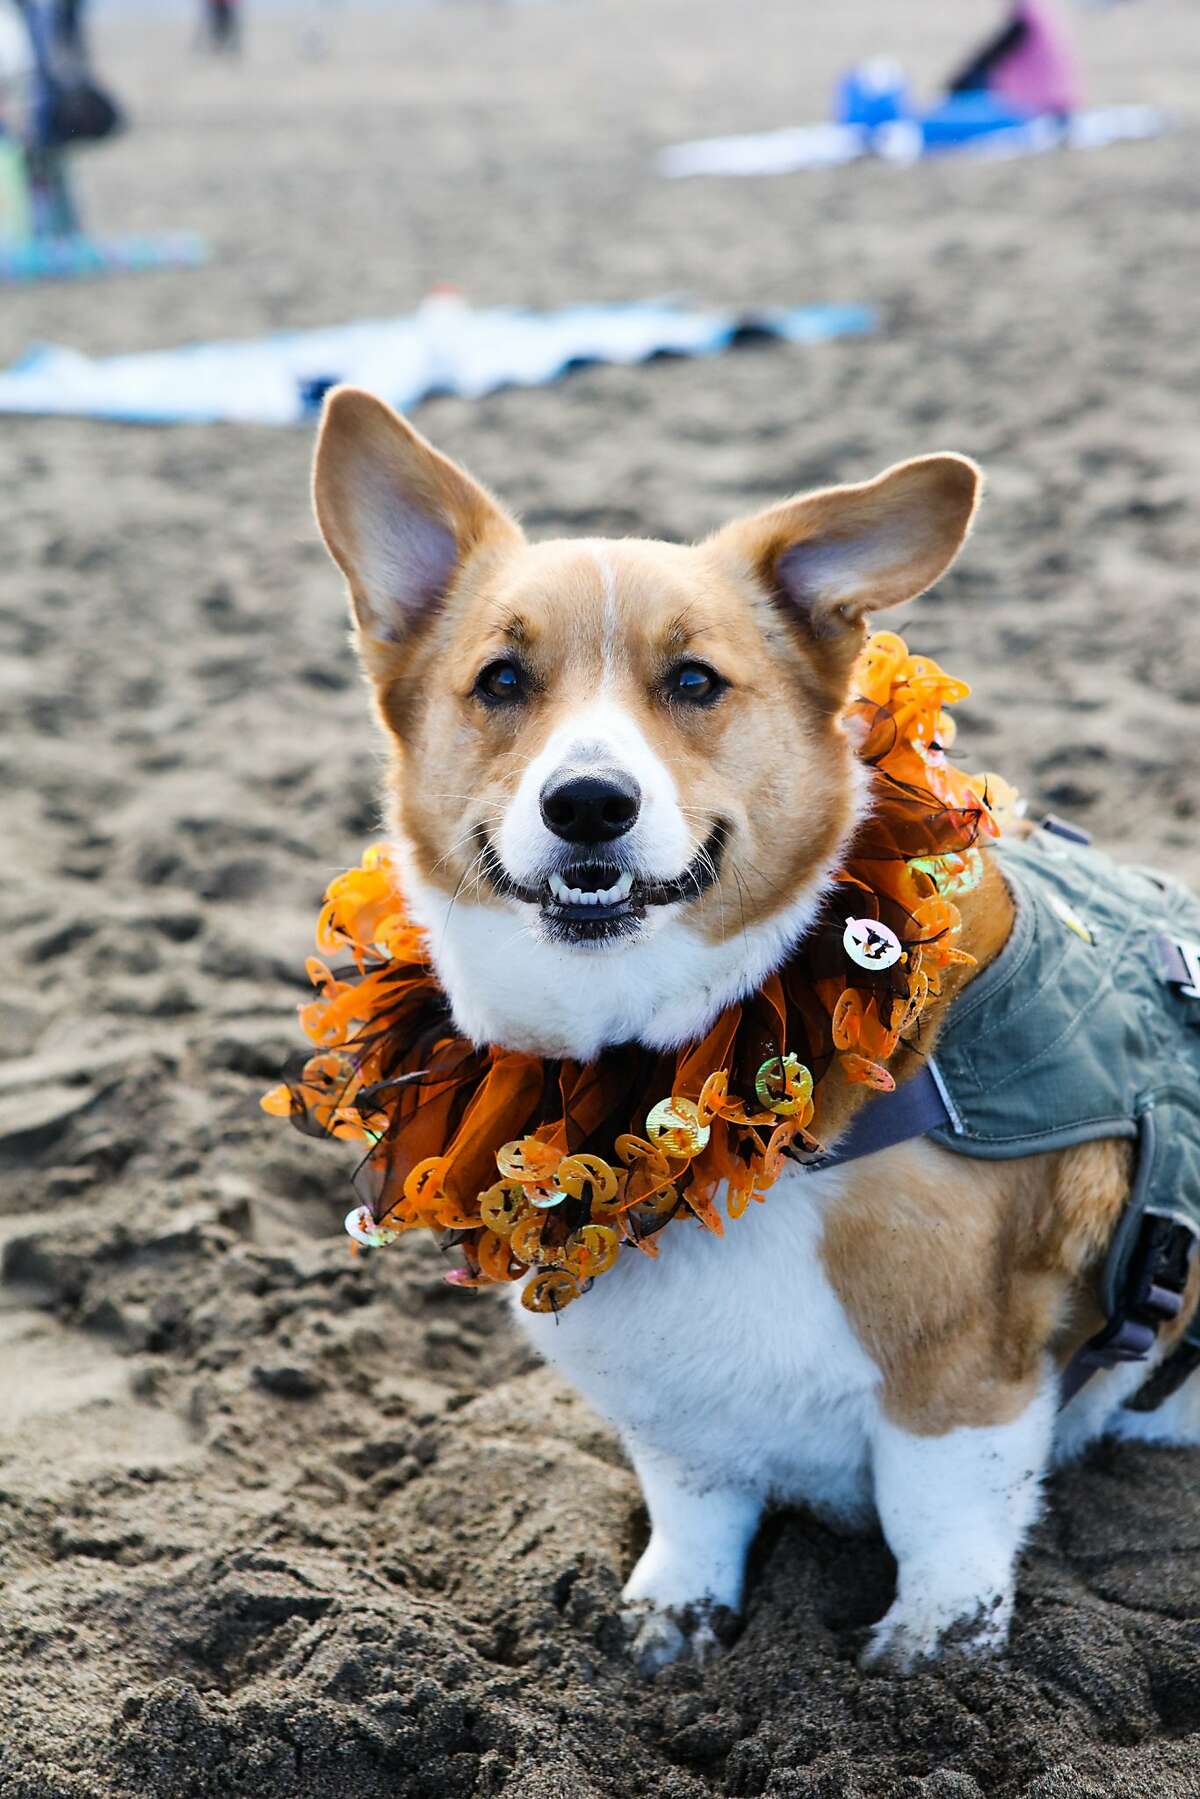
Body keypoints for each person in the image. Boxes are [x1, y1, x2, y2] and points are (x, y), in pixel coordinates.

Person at [946, 0, 1082, 119]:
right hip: (1064, 98)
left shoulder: (1026, 18)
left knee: (977, 77)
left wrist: (954, 86)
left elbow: (991, 54)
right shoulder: (1044, 12)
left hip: (1037, 103)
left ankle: (952, 112)